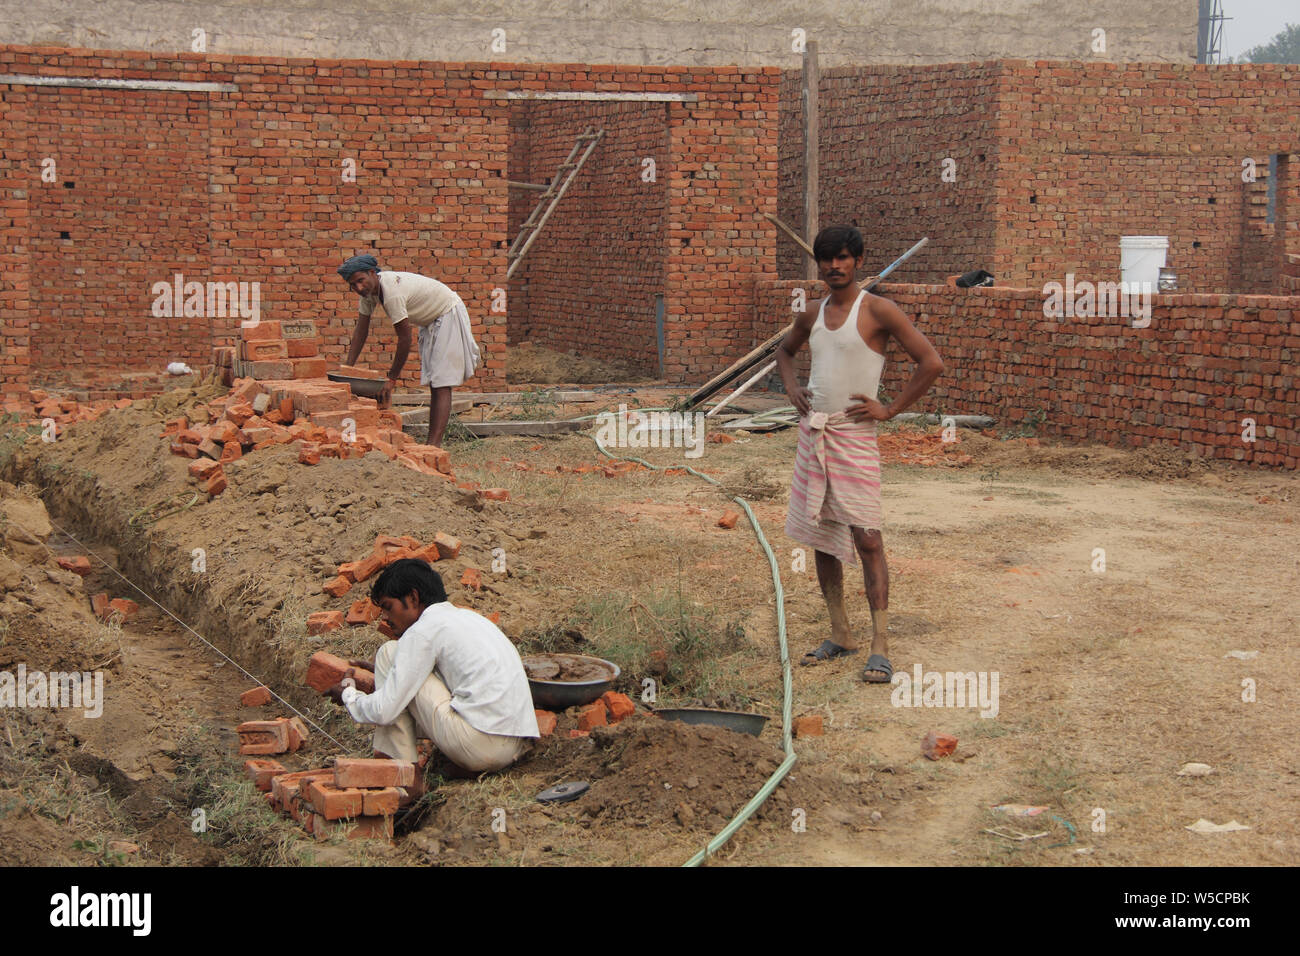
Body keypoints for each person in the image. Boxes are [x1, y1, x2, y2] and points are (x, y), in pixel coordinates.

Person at [775, 226, 944, 683]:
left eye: (843, 258)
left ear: (859, 260)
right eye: (826, 260)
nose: (834, 266)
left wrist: (889, 409)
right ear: (818, 265)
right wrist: (793, 388)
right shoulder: (811, 313)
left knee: (867, 538)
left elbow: (931, 363)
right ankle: (840, 632)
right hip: (815, 438)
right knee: (822, 538)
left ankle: (880, 645)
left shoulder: (878, 310)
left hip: (855, 437)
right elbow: (784, 353)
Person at [324, 559, 537, 797]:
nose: (385, 617)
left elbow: (385, 711)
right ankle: (422, 769)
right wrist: (393, 675)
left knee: (389, 653)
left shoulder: (422, 631)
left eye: (388, 607)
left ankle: (406, 782)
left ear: (413, 598)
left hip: (477, 746)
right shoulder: (470, 620)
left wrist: (348, 696)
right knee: (396, 668)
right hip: (513, 747)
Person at [336, 254, 481, 447]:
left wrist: (391, 379)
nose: (358, 288)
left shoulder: (391, 293)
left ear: (372, 273)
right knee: (435, 382)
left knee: (441, 383)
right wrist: (348, 370)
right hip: (430, 321)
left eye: (361, 281)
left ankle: (433, 447)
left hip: (447, 313)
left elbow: (405, 339)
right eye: (353, 285)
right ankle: (432, 444)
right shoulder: (369, 294)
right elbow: (360, 331)